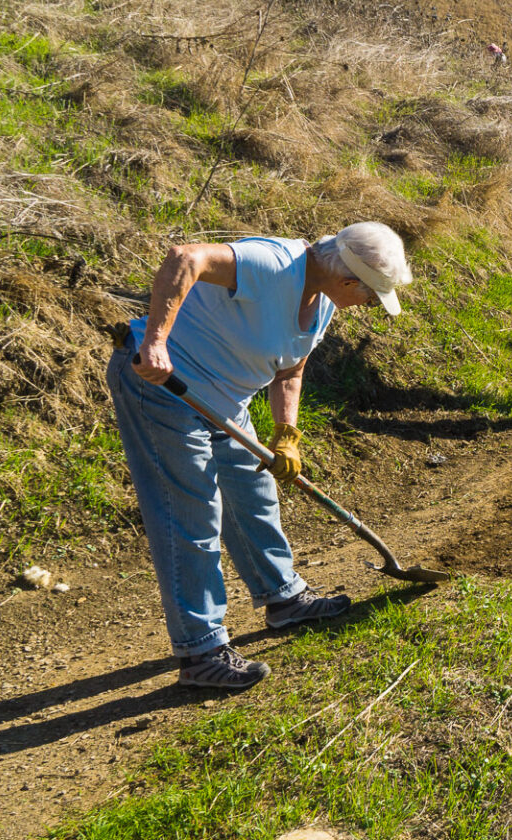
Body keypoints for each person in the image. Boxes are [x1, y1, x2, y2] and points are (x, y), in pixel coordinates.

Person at [111, 221, 413, 690]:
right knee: (190, 514)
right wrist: (154, 341)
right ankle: (200, 650)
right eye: (371, 298)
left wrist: (287, 433)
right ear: (348, 280)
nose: (368, 306)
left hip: (226, 402)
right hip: (167, 388)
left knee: (252, 493)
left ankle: (283, 597)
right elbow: (183, 258)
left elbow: (290, 370)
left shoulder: (323, 303)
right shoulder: (273, 265)